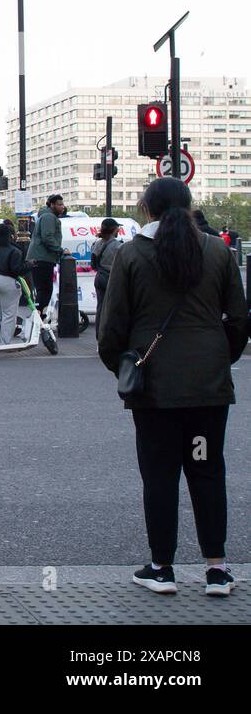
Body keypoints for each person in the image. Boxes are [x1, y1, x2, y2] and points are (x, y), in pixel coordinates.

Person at [97, 177, 246, 597]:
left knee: (160, 475)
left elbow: (112, 327)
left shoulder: (131, 254)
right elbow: (238, 317)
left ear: (147, 208)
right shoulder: (217, 251)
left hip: (154, 386)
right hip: (208, 386)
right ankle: (216, 568)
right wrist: (220, 358)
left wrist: (123, 368)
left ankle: (162, 567)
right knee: (206, 469)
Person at [26, 195, 67, 315]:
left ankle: (38, 317)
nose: (62, 207)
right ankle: (38, 318)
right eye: (59, 204)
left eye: (62, 204)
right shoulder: (49, 217)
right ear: (52, 205)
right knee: (44, 291)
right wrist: (60, 250)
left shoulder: (47, 216)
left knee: (43, 291)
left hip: (41, 258)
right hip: (42, 258)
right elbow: (47, 237)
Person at [90, 217, 123, 305]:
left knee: (100, 306)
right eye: (117, 228)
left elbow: (93, 265)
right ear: (113, 229)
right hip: (111, 278)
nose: (118, 230)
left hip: (99, 277)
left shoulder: (96, 243)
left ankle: (99, 319)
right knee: (111, 307)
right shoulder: (118, 246)